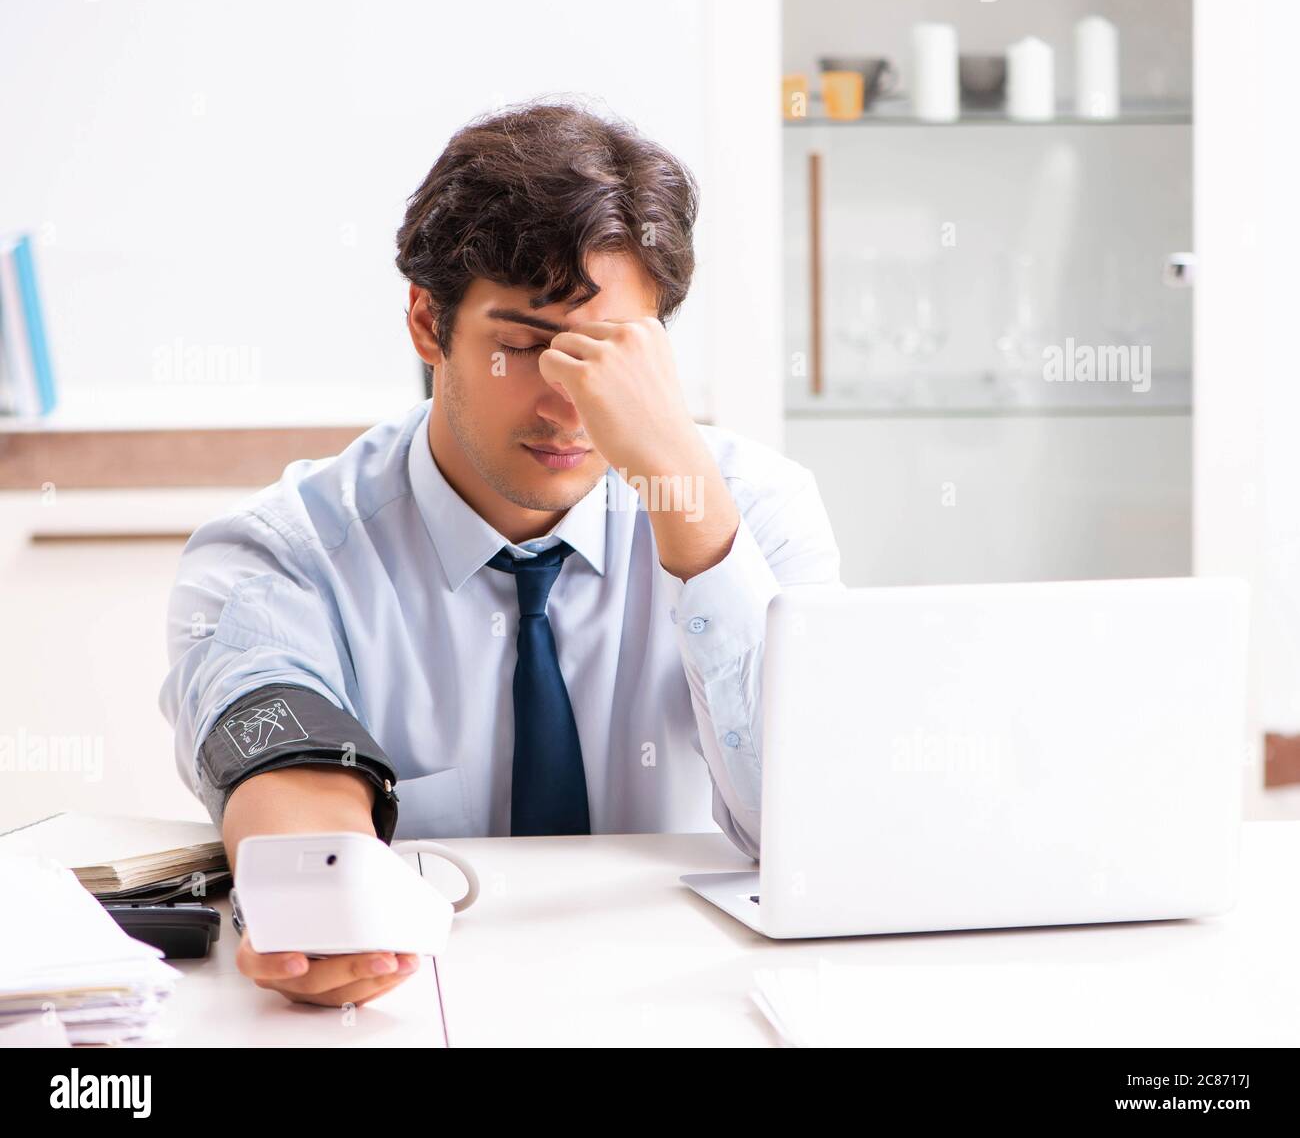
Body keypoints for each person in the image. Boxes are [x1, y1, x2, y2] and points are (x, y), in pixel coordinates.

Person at [159, 97, 841, 1007]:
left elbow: (819, 838)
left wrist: (687, 498)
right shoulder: (281, 553)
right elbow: (287, 764)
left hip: (694, 1002)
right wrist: (323, 904)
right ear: (426, 322)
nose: (569, 407)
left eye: (610, 353)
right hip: (419, 1008)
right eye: (523, 347)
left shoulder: (758, 511)